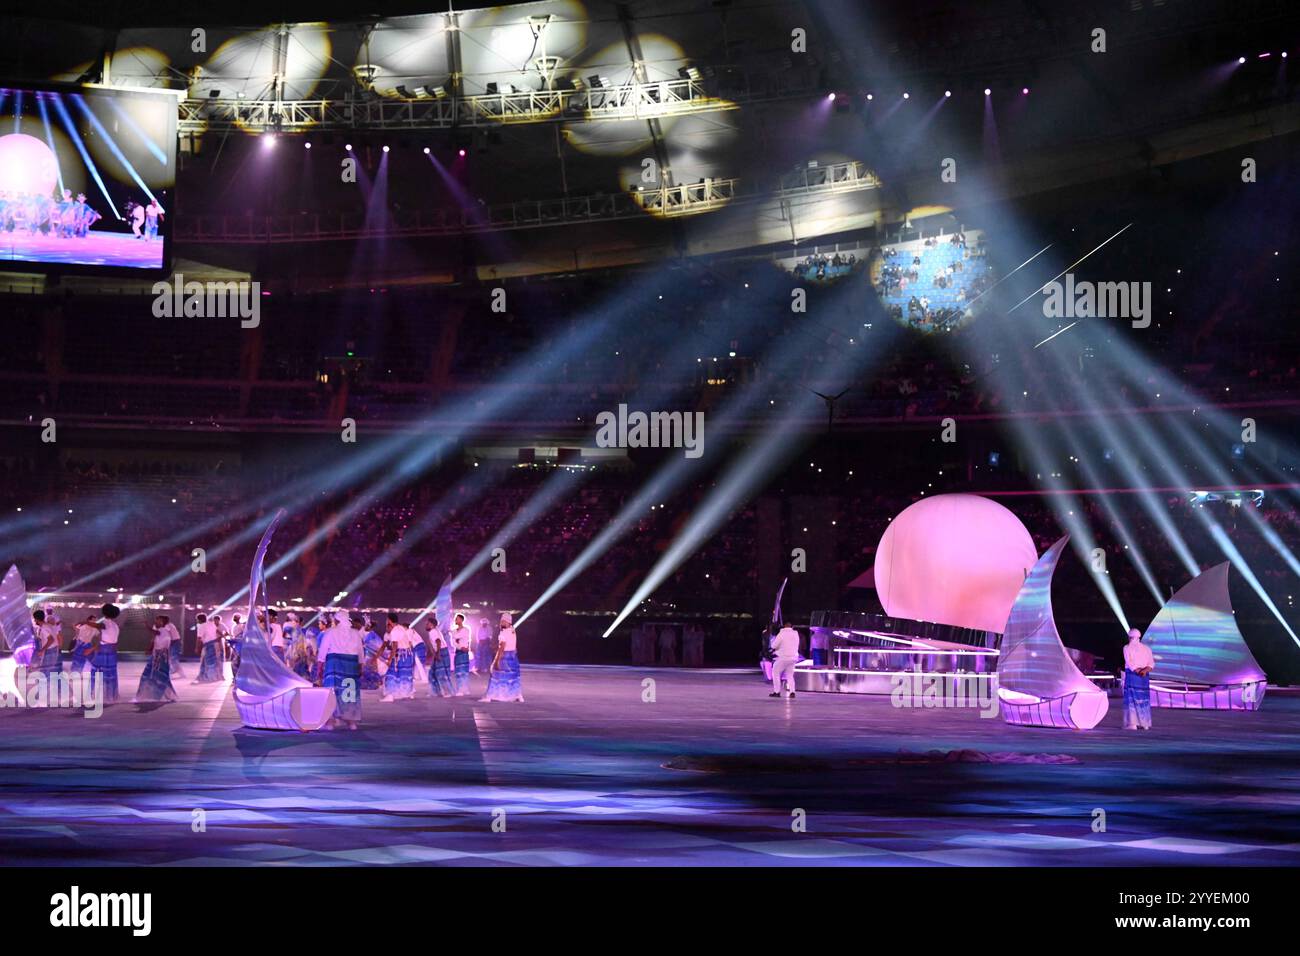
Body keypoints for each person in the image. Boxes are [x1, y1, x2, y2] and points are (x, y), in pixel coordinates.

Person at [317, 613, 365, 730]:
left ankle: (331, 721)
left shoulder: (331, 632)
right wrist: (360, 666)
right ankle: (351, 722)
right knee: (349, 692)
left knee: (333, 691)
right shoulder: (355, 633)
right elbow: (360, 651)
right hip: (351, 664)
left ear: (337, 621)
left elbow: (323, 650)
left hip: (334, 664)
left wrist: (319, 667)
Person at [134, 616, 178, 704]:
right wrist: (150, 649)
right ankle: (160, 694)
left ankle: (154, 694)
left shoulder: (163, 630)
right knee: (158, 676)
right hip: (158, 656)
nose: (155, 623)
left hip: (160, 657)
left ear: (162, 622)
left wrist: (146, 626)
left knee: (156, 675)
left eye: (157, 621)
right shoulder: (162, 631)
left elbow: (155, 632)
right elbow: (154, 640)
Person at [480, 613, 523, 702]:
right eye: (501, 620)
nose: (502, 622)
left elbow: (502, 648)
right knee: (513, 676)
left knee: (497, 675)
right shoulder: (512, 630)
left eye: (504, 621)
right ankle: (516, 695)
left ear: (508, 622)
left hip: (504, 657)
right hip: (513, 656)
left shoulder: (503, 632)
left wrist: (496, 661)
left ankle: (492, 696)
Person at [84, 603, 121, 705]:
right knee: (110, 674)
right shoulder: (115, 625)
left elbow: (96, 626)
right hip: (112, 651)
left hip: (105, 650)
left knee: (96, 672)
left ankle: (94, 695)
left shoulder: (105, 623)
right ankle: (110, 696)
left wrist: (84, 622)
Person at [1122, 627, 1154, 730]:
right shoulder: (1147, 648)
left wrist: (1138, 671)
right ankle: (1145, 724)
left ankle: (1132, 724)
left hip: (1133, 676)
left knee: (1131, 699)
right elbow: (1151, 663)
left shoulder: (1127, 647)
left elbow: (1129, 663)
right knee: (1143, 699)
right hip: (1144, 677)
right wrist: (1144, 671)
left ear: (1130, 637)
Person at [382, 613, 416, 701]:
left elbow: (395, 646)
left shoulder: (394, 631)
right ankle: (406, 693)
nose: (386, 622)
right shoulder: (401, 628)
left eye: (387, 620)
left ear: (389, 620)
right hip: (407, 654)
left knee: (391, 674)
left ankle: (390, 695)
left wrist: (390, 659)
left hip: (400, 655)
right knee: (404, 675)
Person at [769, 623, 801, 699]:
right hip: (793, 657)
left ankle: (777, 692)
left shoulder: (781, 633)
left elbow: (774, 645)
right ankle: (792, 692)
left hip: (783, 657)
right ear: (791, 626)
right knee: (790, 675)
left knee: (775, 672)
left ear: (784, 627)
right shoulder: (795, 634)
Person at [193, 613, 224, 683]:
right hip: (215, 644)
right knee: (206, 660)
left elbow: (199, 638)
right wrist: (221, 636)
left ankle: (211, 678)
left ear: (199, 620)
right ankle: (203, 676)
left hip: (209, 645)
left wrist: (197, 648)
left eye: (197, 620)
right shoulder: (211, 623)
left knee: (210, 662)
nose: (197, 621)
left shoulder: (201, 626)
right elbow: (217, 631)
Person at [427, 618, 454, 698]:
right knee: (433, 673)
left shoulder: (432, 632)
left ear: (431, 625)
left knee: (440, 673)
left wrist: (437, 654)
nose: (426, 625)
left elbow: (438, 641)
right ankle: (436, 692)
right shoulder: (435, 631)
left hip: (441, 652)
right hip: (442, 651)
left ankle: (447, 692)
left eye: (427, 624)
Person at [449, 613, 472, 696]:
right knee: (458, 671)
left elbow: (463, 637)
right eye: (455, 619)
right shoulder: (454, 631)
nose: (456, 620)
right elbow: (453, 643)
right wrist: (460, 646)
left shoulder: (466, 629)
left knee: (464, 671)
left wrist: (455, 637)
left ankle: (465, 689)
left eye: (457, 618)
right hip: (458, 652)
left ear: (462, 620)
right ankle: (459, 689)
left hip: (464, 652)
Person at [161, 614, 185, 679]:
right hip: (175, 641)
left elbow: (169, 636)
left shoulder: (167, 626)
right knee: (173, 659)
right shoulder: (171, 625)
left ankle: (171, 672)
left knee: (173, 658)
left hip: (174, 642)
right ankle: (181, 674)